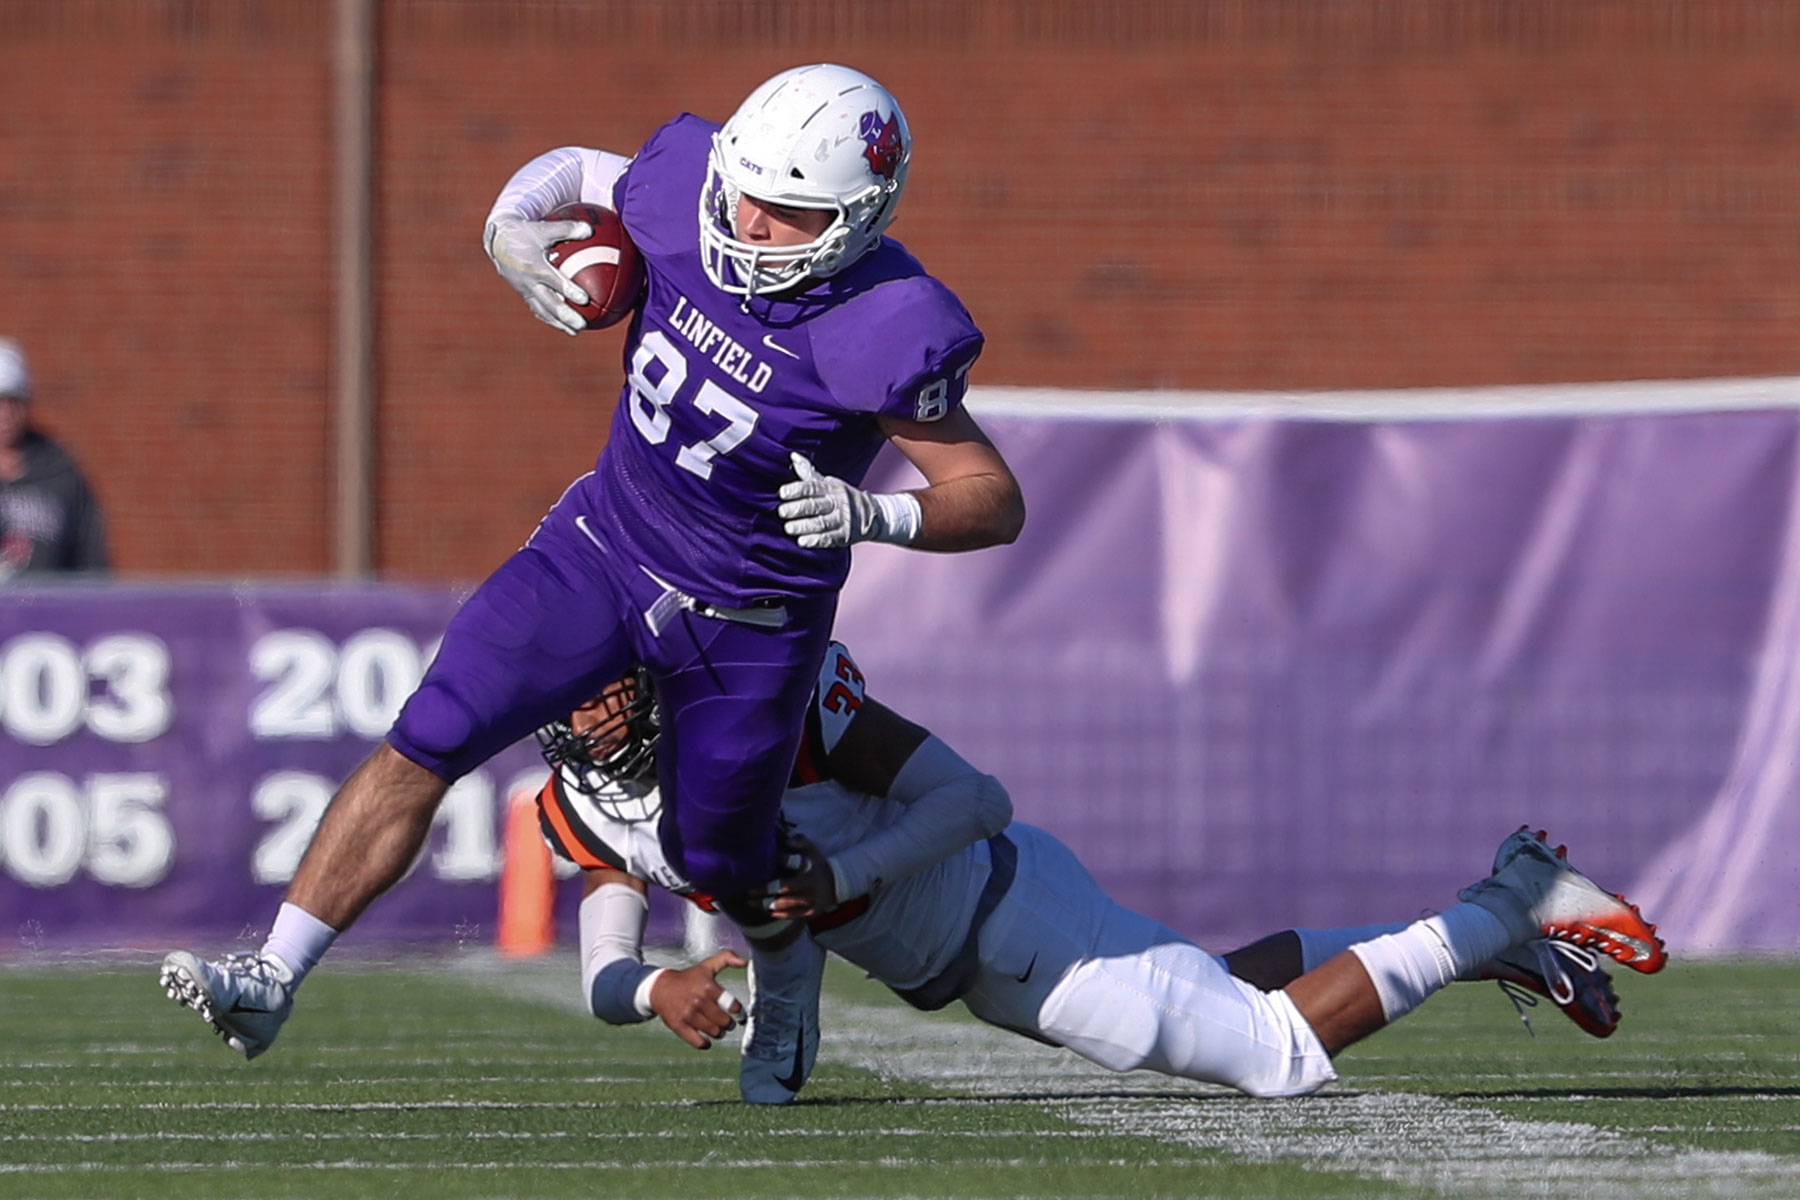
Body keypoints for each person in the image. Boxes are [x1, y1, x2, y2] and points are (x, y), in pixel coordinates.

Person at [159, 63, 1024, 1059]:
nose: (746, 220)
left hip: (746, 616)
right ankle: (271, 975)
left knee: (718, 853)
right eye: (743, 187)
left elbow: (992, 497)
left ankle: (784, 964)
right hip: (607, 542)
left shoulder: (887, 322)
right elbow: (576, 168)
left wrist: (875, 512)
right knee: (432, 731)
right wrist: (508, 225)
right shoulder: (693, 182)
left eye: (785, 211)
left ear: (858, 217)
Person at [530, 643, 1661, 1104]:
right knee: (1230, 986)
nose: (593, 708)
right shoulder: (582, 802)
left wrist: (842, 875)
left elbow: (975, 799)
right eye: (573, 693)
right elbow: (602, 966)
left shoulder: (769, 711)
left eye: (604, 682)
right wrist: (649, 991)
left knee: (1274, 1058)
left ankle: (1510, 898)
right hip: (990, 939)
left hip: (1007, 921)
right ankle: (1496, 944)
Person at [0, 339, 107, 578]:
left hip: (47, 611)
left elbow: (91, 559)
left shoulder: (61, 472)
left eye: (14, 401)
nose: (6, 414)